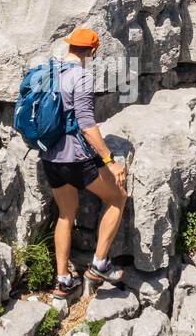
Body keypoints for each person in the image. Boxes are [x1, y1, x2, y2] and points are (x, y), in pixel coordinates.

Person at [40, 27, 129, 299]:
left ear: (68, 46)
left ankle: (63, 281)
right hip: (74, 158)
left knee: (66, 214)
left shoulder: (48, 72)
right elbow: (87, 125)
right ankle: (100, 265)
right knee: (117, 197)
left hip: (49, 156)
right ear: (92, 51)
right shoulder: (81, 77)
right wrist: (109, 160)